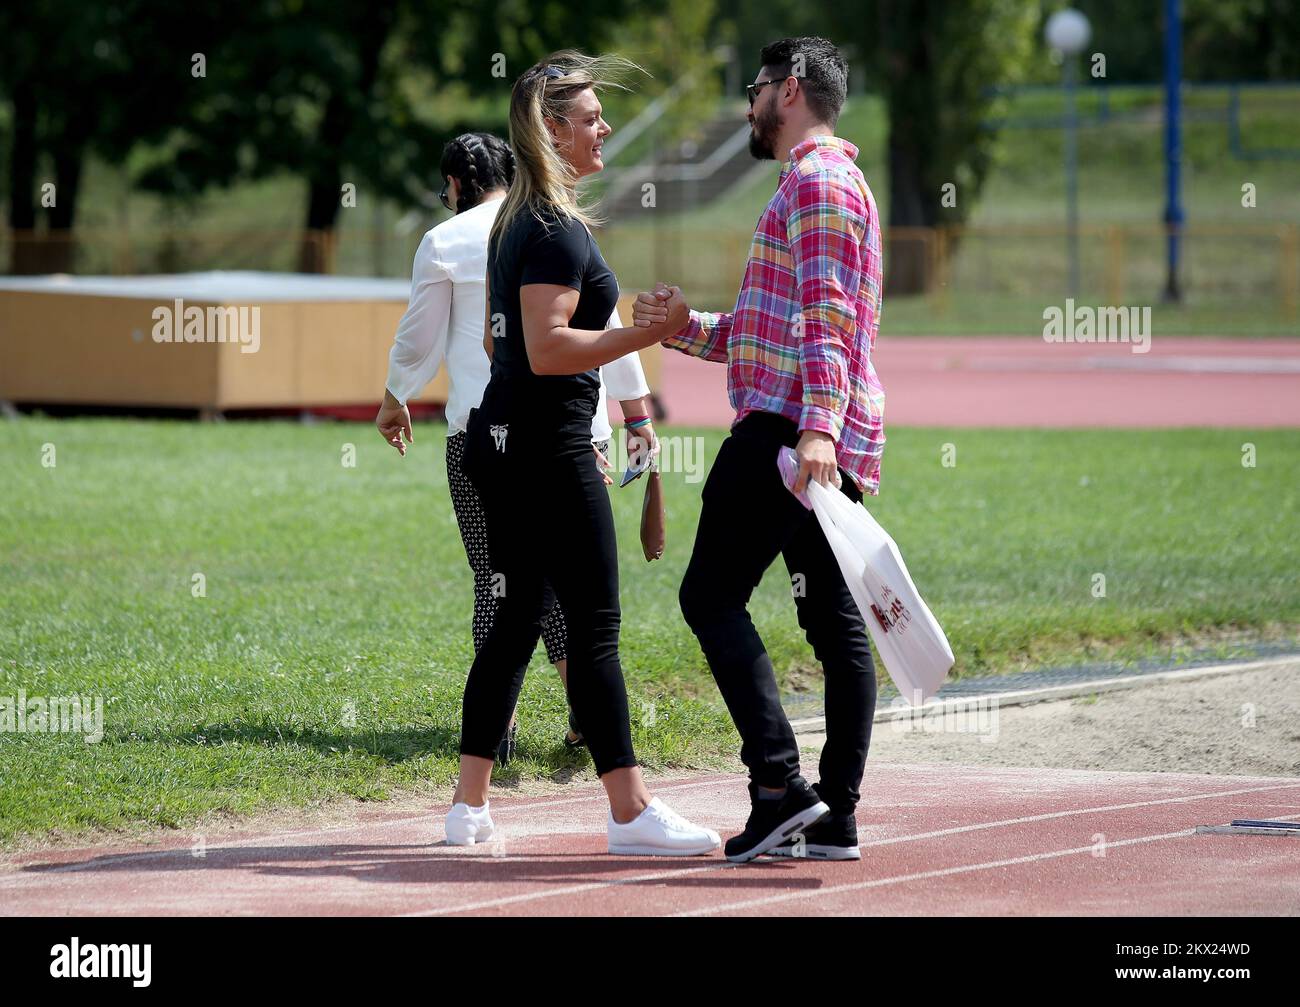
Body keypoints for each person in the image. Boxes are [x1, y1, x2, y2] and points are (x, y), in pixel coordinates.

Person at [446, 52, 719, 855]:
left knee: (517, 618)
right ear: (552, 129)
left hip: (504, 441)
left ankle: (468, 808)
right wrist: (647, 331)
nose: (603, 128)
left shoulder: (515, 221)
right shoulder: (552, 227)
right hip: (549, 449)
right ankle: (631, 813)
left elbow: (519, 343)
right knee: (594, 627)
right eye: (591, 116)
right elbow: (547, 346)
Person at [634, 37, 885, 863]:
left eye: (755, 89)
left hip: (788, 435)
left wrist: (815, 426)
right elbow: (765, 331)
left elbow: (828, 315)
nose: (748, 104)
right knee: (833, 621)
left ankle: (781, 788)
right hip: (812, 432)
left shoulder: (815, 179)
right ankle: (833, 814)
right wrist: (683, 330)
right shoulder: (822, 181)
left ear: (790, 90)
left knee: (709, 597)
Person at [374, 132, 656, 760]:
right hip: (577, 433)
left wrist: (395, 397)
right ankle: (587, 714)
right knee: (569, 585)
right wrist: (635, 412)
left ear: (454, 184)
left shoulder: (447, 240)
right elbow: (602, 325)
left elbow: (419, 337)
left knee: (499, 580)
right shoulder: (557, 225)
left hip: (485, 432)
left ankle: (493, 731)